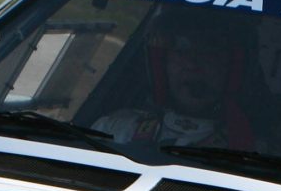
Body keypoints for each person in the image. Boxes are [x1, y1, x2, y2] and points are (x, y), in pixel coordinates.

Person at [95, 20, 260, 149]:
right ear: (162, 65)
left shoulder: (257, 156)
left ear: (233, 67)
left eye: (208, 52)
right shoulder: (113, 130)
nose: (191, 64)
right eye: (180, 51)